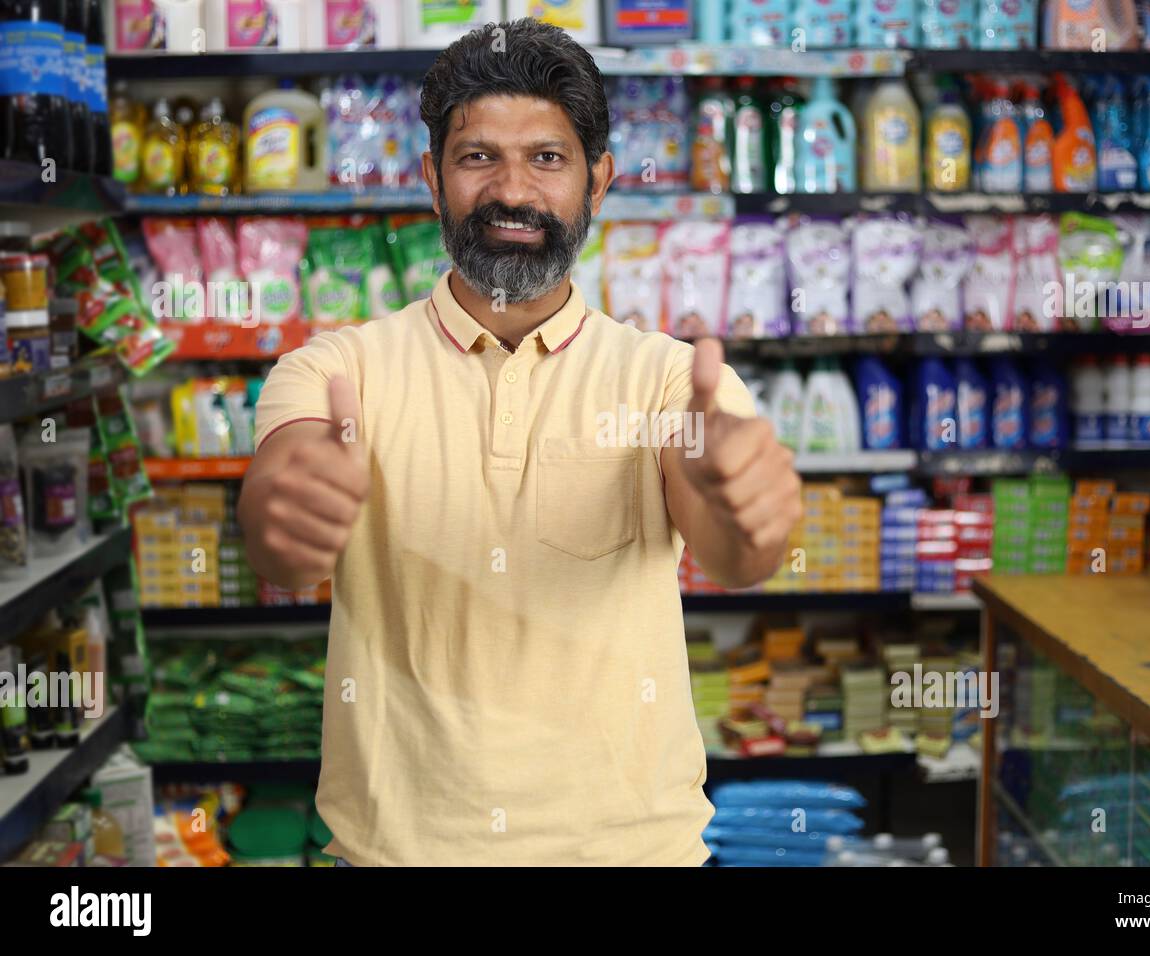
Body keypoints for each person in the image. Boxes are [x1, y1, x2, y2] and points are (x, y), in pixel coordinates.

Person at [237, 18, 802, 866]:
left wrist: (747, 512)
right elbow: (279, 534)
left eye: (547, 158)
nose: (513, 190)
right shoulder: (334, 368)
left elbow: (732, 544)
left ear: (598, 182)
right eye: (477, 158)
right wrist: (285, 517)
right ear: (432, 180)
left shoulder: (671, 380)